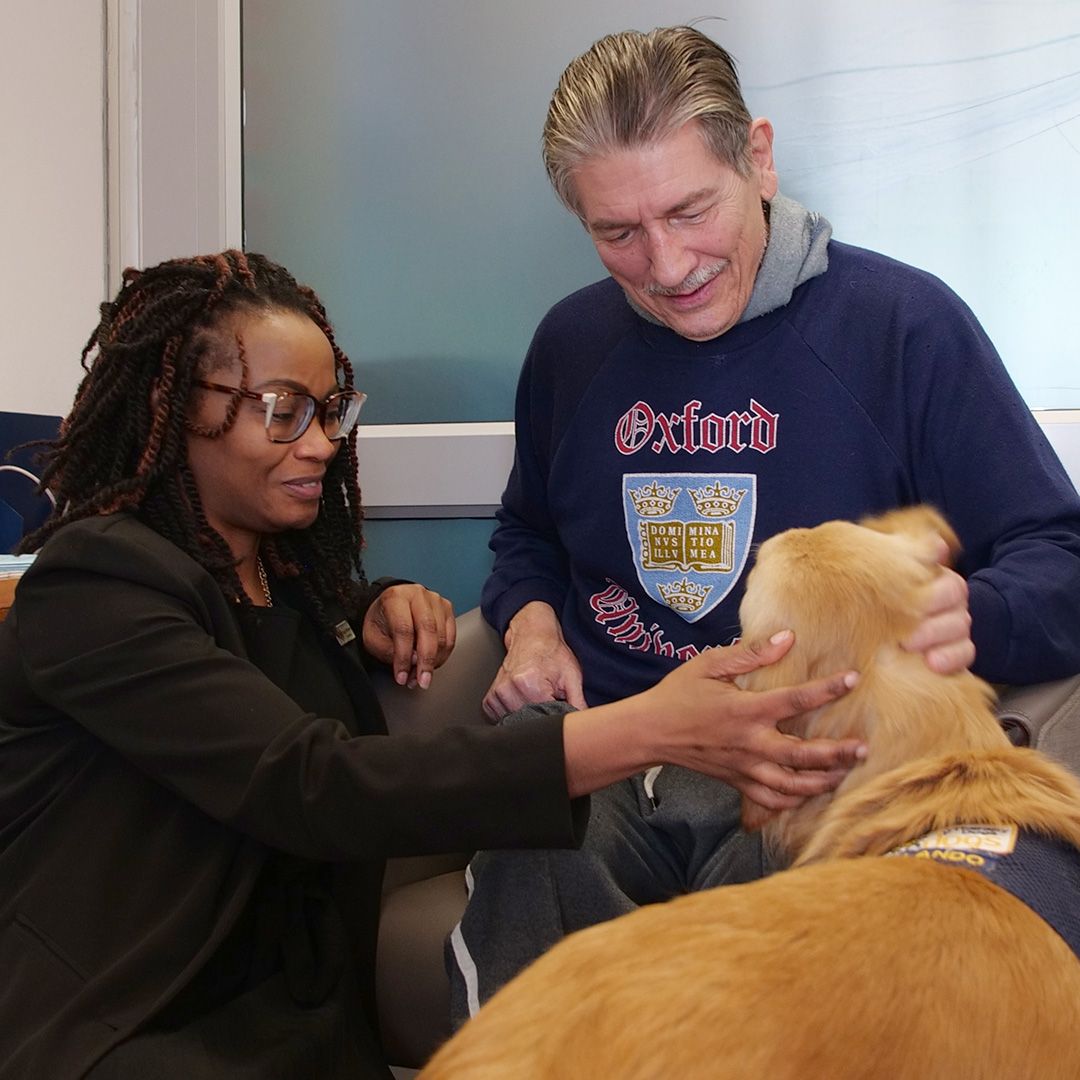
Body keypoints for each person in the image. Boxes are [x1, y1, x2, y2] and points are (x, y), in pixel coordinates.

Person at [0, 250, 871, 1079]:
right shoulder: (97, 584)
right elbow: (310, 782)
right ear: (177, 406)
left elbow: (265, 641)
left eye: (331, 409)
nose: (320, 443)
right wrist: (638, 731)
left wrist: (374, 603)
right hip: (132, 1020)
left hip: (295, 1023)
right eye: (281, 410)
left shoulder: (283, 580)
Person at [448, 26, 1080, 1023]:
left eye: (692, 210)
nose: (666, 265)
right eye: (618, 233)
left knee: (767, 965)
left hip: (813, 765)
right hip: (616, 748)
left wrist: (980, 613)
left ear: (761, 158)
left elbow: (1062, 553)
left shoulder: (904, 326)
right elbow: (526, 533)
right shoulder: (571, 347)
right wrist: (528, 619)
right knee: (528, 851)